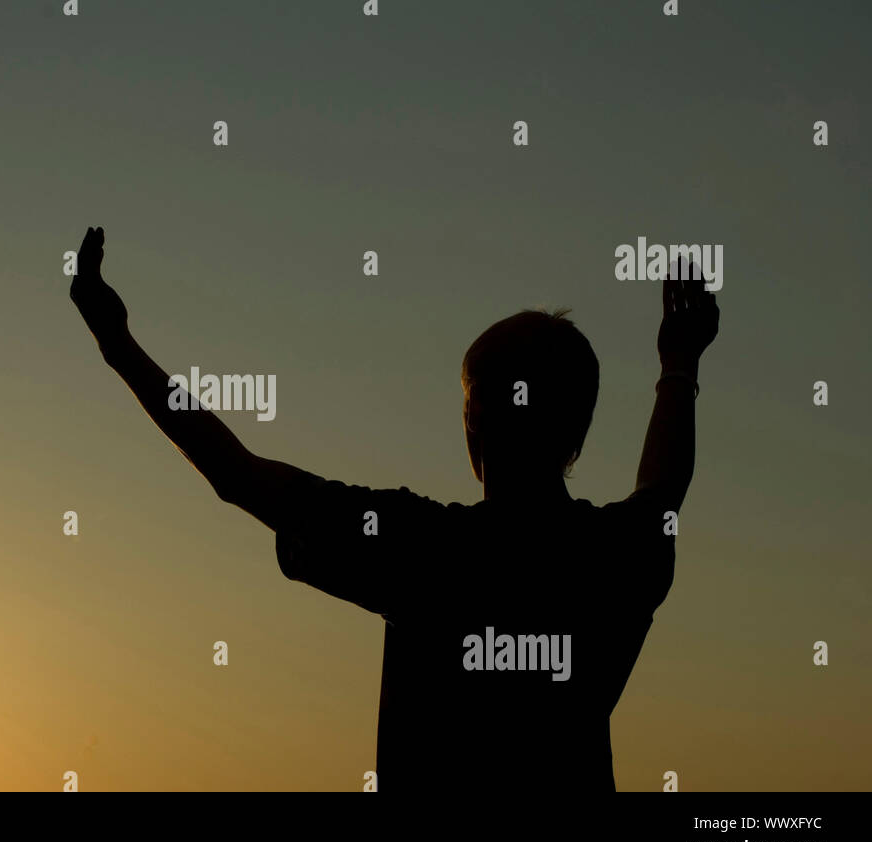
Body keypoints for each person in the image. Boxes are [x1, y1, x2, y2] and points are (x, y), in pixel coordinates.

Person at [70, 226, 719, 791]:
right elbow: (663, 486)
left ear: (474, 428)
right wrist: (679, 364)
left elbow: (237, 474)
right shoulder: (615, 554)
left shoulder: (420, 547)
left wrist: (119, 346)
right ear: (576, 434)